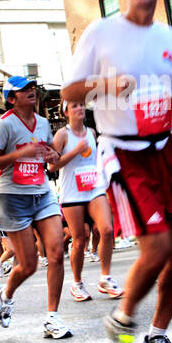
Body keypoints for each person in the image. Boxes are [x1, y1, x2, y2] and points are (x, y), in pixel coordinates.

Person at [61, 0, 172, 343]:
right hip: (123, 151)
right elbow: (69, 93)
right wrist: (106, 84)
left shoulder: (166, 35)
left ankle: (158, 337)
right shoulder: (102, 32)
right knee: (159, 244)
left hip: (165, 146)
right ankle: (122, 322)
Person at [0, 76, 69, 336]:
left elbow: (52, 158)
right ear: (12, 98)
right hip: (13, 199)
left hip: (42, 193)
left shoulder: (43, 124)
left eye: (32, 88)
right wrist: (18, 154)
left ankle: (52, 317)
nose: (31, 92)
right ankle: (6, 294)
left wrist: (53, 155)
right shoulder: (4, 125)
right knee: (29, 264)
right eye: (24, 90)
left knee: (55, 253)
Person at [53, 100, 122, 305]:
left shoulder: (91, 132)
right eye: (74, 106)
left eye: (81, 105)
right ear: (66, 112)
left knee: (107, 230)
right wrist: (75, 151)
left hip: (93, 188)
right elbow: (52, 166)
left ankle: (105, 278)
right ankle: (77, 282)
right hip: (72, 193)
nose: (80, 108)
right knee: (80, 238)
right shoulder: (62, 135)